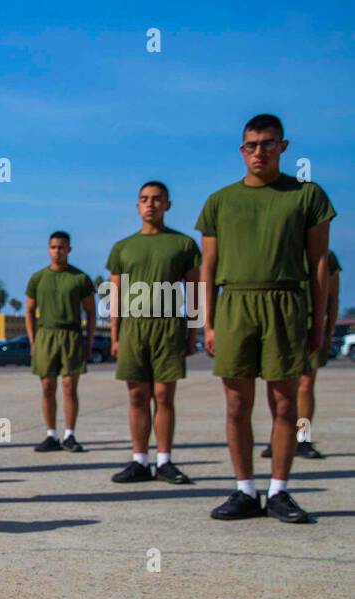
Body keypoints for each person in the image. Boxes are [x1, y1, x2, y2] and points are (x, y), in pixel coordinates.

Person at [197, 114, 335, 523]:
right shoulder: (220, 200)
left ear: (283, 146)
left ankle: (279, 491)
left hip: (286, 302)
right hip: (235, 303)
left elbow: (320, 263)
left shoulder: (306, 196)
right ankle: (244, 490)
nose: (260, 152)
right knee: (237, 403)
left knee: (284, 402)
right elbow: (208, 265)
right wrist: (208, 322)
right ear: (242, 150)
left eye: (268, 143)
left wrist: (320, 323)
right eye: (252, 145)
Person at [106, 182, 200, 485]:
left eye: (157, 199)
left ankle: (165, 460)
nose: (151, 204)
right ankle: (139, 460)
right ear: (137, 206)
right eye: (145, 199)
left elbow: (194, 291)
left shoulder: (183, 245)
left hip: (168, 324)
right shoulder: (123, 247)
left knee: (163, 395)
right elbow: (116, 296)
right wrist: (115, 336)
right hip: (134, 326)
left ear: (167, 205)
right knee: (136, 395)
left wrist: (191, 333)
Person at [263, 250, 342, 460]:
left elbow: (333, 297)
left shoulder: (326, 256)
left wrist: (328, 330)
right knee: (278, 385)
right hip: (282, 324)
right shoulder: (280, 250)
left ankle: (303, 437)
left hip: (309, 325)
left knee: (305, 386)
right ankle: (277, 435)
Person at [25, 232, 96, 453]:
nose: (58, 251)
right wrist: (33, 340)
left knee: (69, 387)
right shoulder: (38, 278)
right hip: (46, 334)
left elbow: (90, 312)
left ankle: (70, 434)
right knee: (47, 386)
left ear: (69, 250)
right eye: (54, 247)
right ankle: (51, 435)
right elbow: (29, 310)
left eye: (62, 247)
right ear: (48, 249)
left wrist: (89, 340)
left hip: (71, 334)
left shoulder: (80, 278)